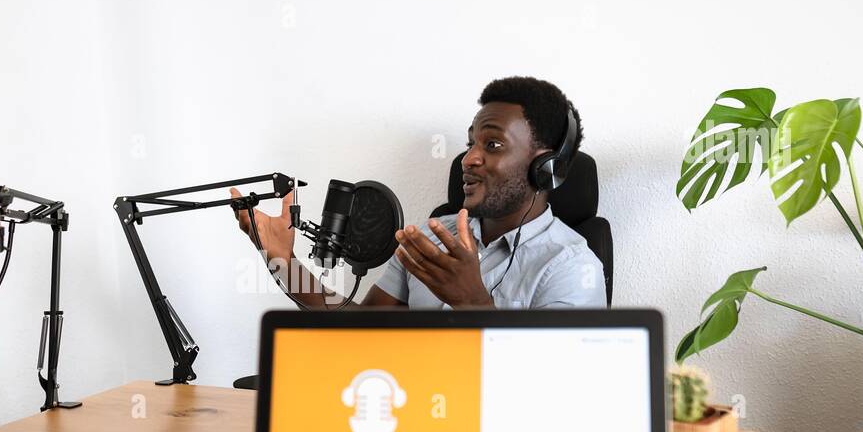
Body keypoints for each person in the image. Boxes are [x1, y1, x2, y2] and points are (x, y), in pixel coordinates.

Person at [231, 76, 606, 309]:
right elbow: (362, 331)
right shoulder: (428, 237)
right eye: (470, 143)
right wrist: (282, 261)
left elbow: (558, 387)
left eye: (492, 145)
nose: (468, 158)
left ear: (546, 169)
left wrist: (473, 302)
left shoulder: (572, 268)